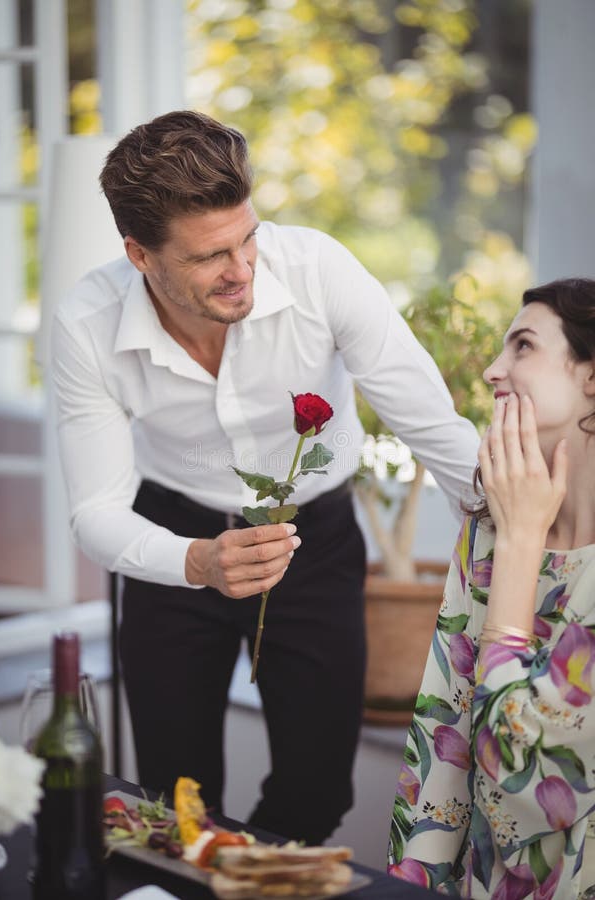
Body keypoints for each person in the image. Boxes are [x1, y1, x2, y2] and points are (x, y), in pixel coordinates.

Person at [51, 109, 479, 845]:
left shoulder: (319, 270)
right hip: (173, 541)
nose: (242, 267)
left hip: (315, 539)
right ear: (140, 255)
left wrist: (542, 537)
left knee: (318, 791)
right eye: (209, 255)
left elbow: (432, 424)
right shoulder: (85, 326)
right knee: (174, 799)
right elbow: (94, 510)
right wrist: (195, 561)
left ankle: (254, 886)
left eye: (248, 235)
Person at [388, 277, 595, 898]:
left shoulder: (510, 533)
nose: (491, 370)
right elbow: (440, 737)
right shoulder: (488, 529)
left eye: (523, 346)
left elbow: (522, 777)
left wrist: (521, 543)